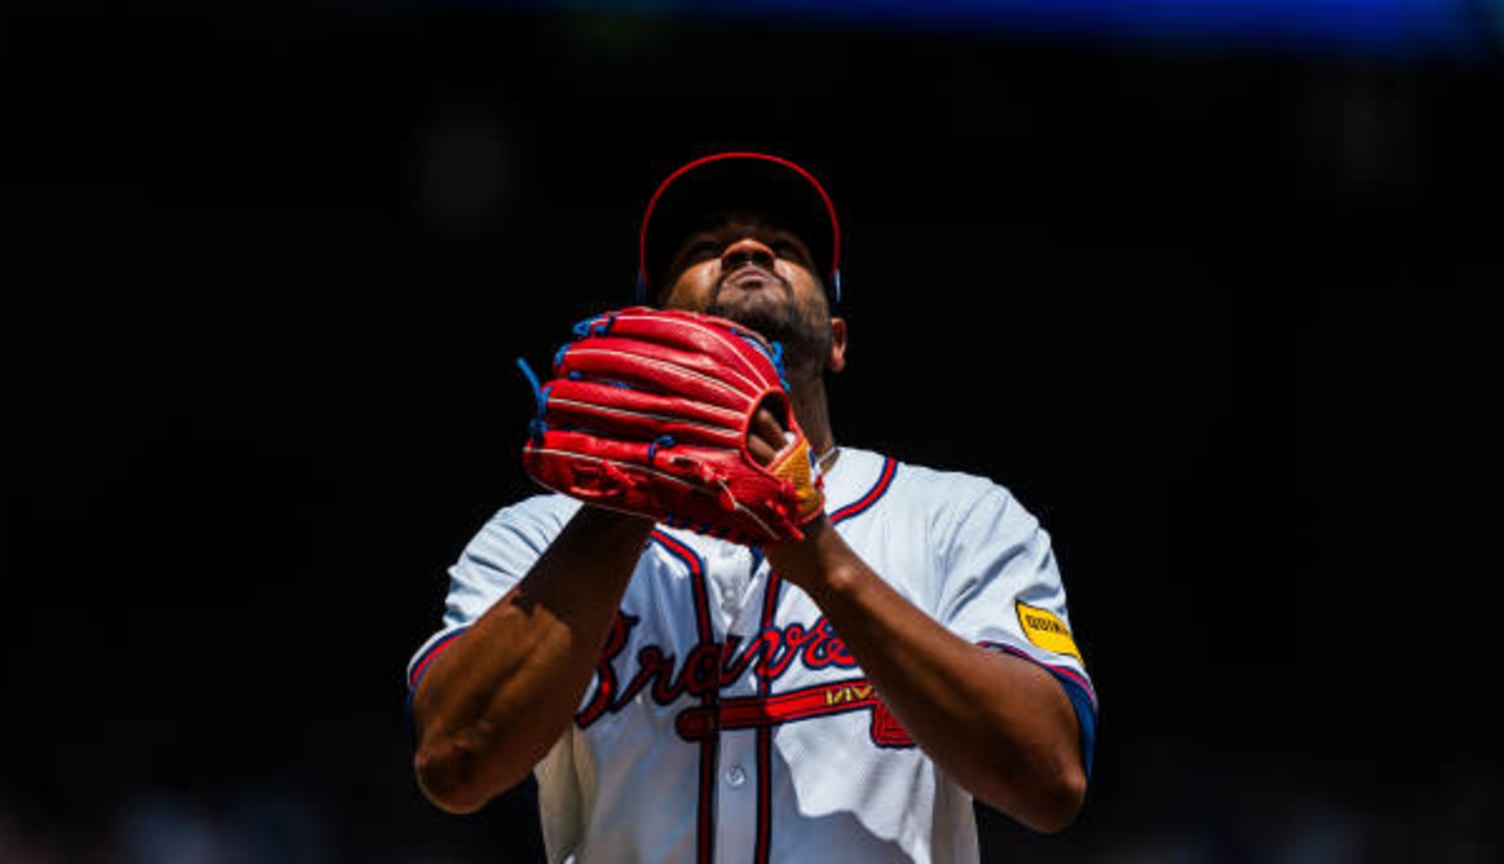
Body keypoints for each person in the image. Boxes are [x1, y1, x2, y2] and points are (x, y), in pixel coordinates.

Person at [405, 151, 1097, 863]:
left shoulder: (958, 517)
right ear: (650, 323)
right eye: (705, 248)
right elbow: (455, 764)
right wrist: (627, 497)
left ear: (836, 342)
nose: (745, 249)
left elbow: (1048, 779)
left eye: (787, 248)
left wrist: (823, 561)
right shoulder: (541, 534)